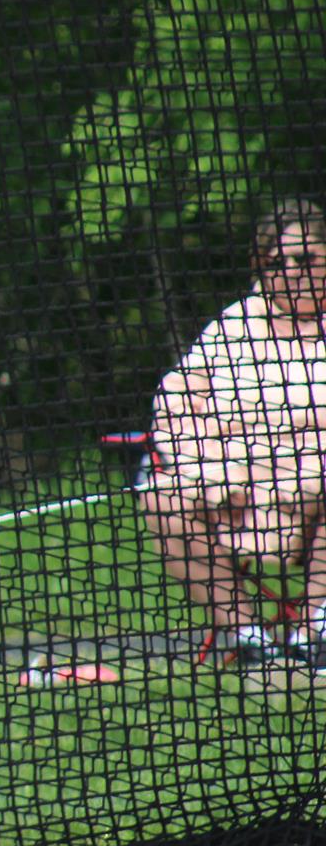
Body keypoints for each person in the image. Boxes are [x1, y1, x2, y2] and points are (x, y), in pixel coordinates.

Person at [144, 196, 326, 666]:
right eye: (274, 262)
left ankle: (315, 628)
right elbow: (176, 397)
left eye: (304, 258)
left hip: (311, 503)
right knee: (159, 498)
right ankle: (249, 635)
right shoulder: (235, 324)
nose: (289, 270)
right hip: (230, 498)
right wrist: (206, 472)